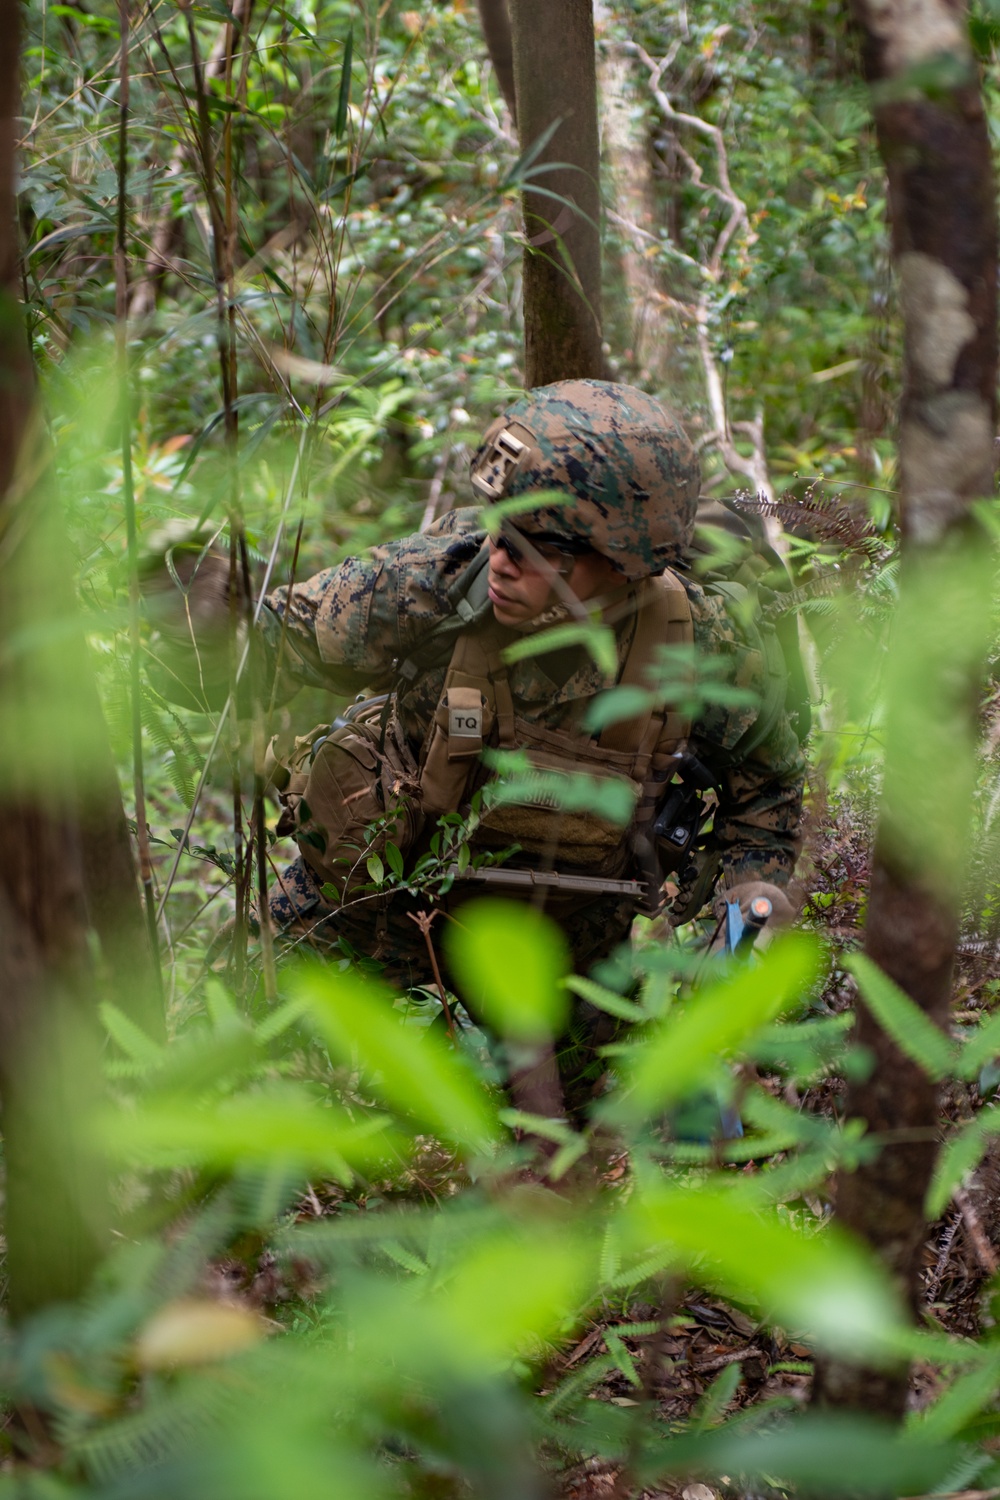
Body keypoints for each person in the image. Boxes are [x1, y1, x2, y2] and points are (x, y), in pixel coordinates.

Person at [146, 380, 804, 1102]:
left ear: (628, 562)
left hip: (563, 937)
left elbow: (766, 793)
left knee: (618, 1138)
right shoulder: (427, 584)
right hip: (374, 900)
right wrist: (199, 631)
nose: (501, 557)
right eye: (499, 527)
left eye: (542, 545)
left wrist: (746, 912)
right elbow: (271, 648)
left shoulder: (699, 644)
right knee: (210, 1071)